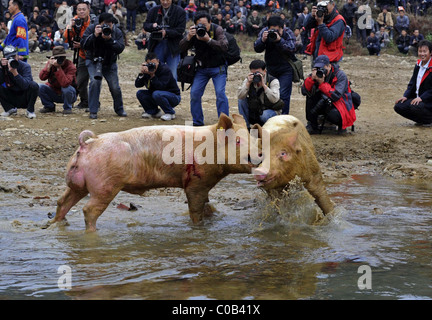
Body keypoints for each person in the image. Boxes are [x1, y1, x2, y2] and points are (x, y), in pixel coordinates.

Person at [179, 11, 229, 126]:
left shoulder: (217, 29)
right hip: (201, 68)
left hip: (218, 68)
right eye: (199, 25)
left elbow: (224, 46)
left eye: (205, 24)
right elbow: (181, 47)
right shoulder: (193, 32)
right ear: (195, 25)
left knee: (220, 94)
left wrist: (209, 40)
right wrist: (188, 37)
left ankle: (224, 123)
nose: (203, 27)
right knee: (194, 94)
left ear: (210, 22)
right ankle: (197, 122)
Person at [81, 12, 127, 119]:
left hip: (109, 63)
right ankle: (93, 110)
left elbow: (120, 48)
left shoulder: (116, 31)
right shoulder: (92, 28)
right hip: (93, 61)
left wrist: (110, 39)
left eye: (110, 24)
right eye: (105, 24)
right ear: (100, 23)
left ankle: (119, 109)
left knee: (115, 87)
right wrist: (94, 35)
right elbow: (84, 45)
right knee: (95, 82)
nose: (108, 26)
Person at [301, 55, 356, 134]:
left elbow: (336, 96)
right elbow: (304, 91)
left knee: (333, 115)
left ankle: (341, 124)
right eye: (318, 68)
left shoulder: (340, 75)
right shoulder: (316, 75)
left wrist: (322, 84)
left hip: (340, 105)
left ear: (329, 66)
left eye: (323, 68)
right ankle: (312, 125)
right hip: (325, 102)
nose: (321, 70)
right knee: (310, 97)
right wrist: (311, 80)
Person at [254, 15, 296, 115]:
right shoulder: (264, 32)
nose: (274, 32)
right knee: (270, 93)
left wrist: (279, 40)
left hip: (285, 68)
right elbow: (256, 48)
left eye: (277, 30)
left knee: (284, 95)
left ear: (282, 27)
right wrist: (262, 40)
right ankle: (272, 116)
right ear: (268, 28)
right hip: (270, 68)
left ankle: (284, 119)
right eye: (272, 30)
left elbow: (293, 48)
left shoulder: (287, 32)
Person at [143, 0, 186, 80]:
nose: (165, 2)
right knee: (156, 72)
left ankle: (172, 92)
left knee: (173, 74)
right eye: (163, 0)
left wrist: (166, 32)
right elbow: (146, 25)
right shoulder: (154, 10)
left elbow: (180, 29)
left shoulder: (180, 11)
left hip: (173, 46)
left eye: (168, 0)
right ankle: (157, 92)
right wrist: (152, 25)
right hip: (157, 44)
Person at [394, 40, 432, 125]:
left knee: (415, 106)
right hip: (419, 99)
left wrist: (422, 98)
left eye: (424, 51)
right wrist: (405, 96)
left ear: (430, 52)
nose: (422, 54)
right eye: (420, 51)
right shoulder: (418, 65)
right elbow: (412, 83)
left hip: (428, 101)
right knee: (399, 106)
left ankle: (429, 120)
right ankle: (421, 120)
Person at [237, 59, 283, 128]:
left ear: (265, 71)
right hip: (256, 111)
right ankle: (246, 128)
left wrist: (264, 86)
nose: (256, 76)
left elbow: (275, 99)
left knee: (264, 115)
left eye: (258, 73)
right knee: (241, 101)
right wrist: (248, 84)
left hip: (270, 111)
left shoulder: (273, 81)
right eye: (253, 73)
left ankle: (268, 129)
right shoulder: (249, 80)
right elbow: (240, 96)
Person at [135, 52, 181, 120]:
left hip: (173, 97)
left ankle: (170, 113)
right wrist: (141, 74)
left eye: (154, 63)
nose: (153, 66)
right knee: (140, 93)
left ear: (158, 61)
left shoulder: (165, 69)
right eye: (149, 64)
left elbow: (161, 87)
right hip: (157, 95)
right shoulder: (147, 70)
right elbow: (137, 85)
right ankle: (153, 112)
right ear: (146, 63)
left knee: (157, 94)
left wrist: (152, 76)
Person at [64, 1, 92, 110]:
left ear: (88, 10)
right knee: (80, 81)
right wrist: (70, 27)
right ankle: (85, 101)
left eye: (84, 9)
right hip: (82, 55)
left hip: (94, 54)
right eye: (79, 9)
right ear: (76, 11)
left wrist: (82, 44)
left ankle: (94, 102)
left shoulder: (93, 22)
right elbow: (66, 39)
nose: (81, 11)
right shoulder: (75, 21)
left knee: (95, 81)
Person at [0, 45, 39, 119]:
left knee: (34, 85)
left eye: (14, 56)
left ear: (17, 55)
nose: (13, 59)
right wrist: (1, 68)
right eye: (9, 57)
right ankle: (9, 108)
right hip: (11, 95)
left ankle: (30, 110)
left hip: (24, 97)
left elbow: (25, 85)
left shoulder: (25, 66)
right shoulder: (3, 67)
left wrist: (15, 73)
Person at [38, 46, 77, 115]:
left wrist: (59, 68)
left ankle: (67, 108)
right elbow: (42, 77)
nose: (59, 60)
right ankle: (49, 106)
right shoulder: (51, 64)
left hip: (68, 94)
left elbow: (65, 83)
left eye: (62, 58)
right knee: (39, 86)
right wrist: (48, 67)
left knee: (66, 88)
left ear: (65, 58)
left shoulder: (71, 66)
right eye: (57, 58)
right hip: (54, 91)